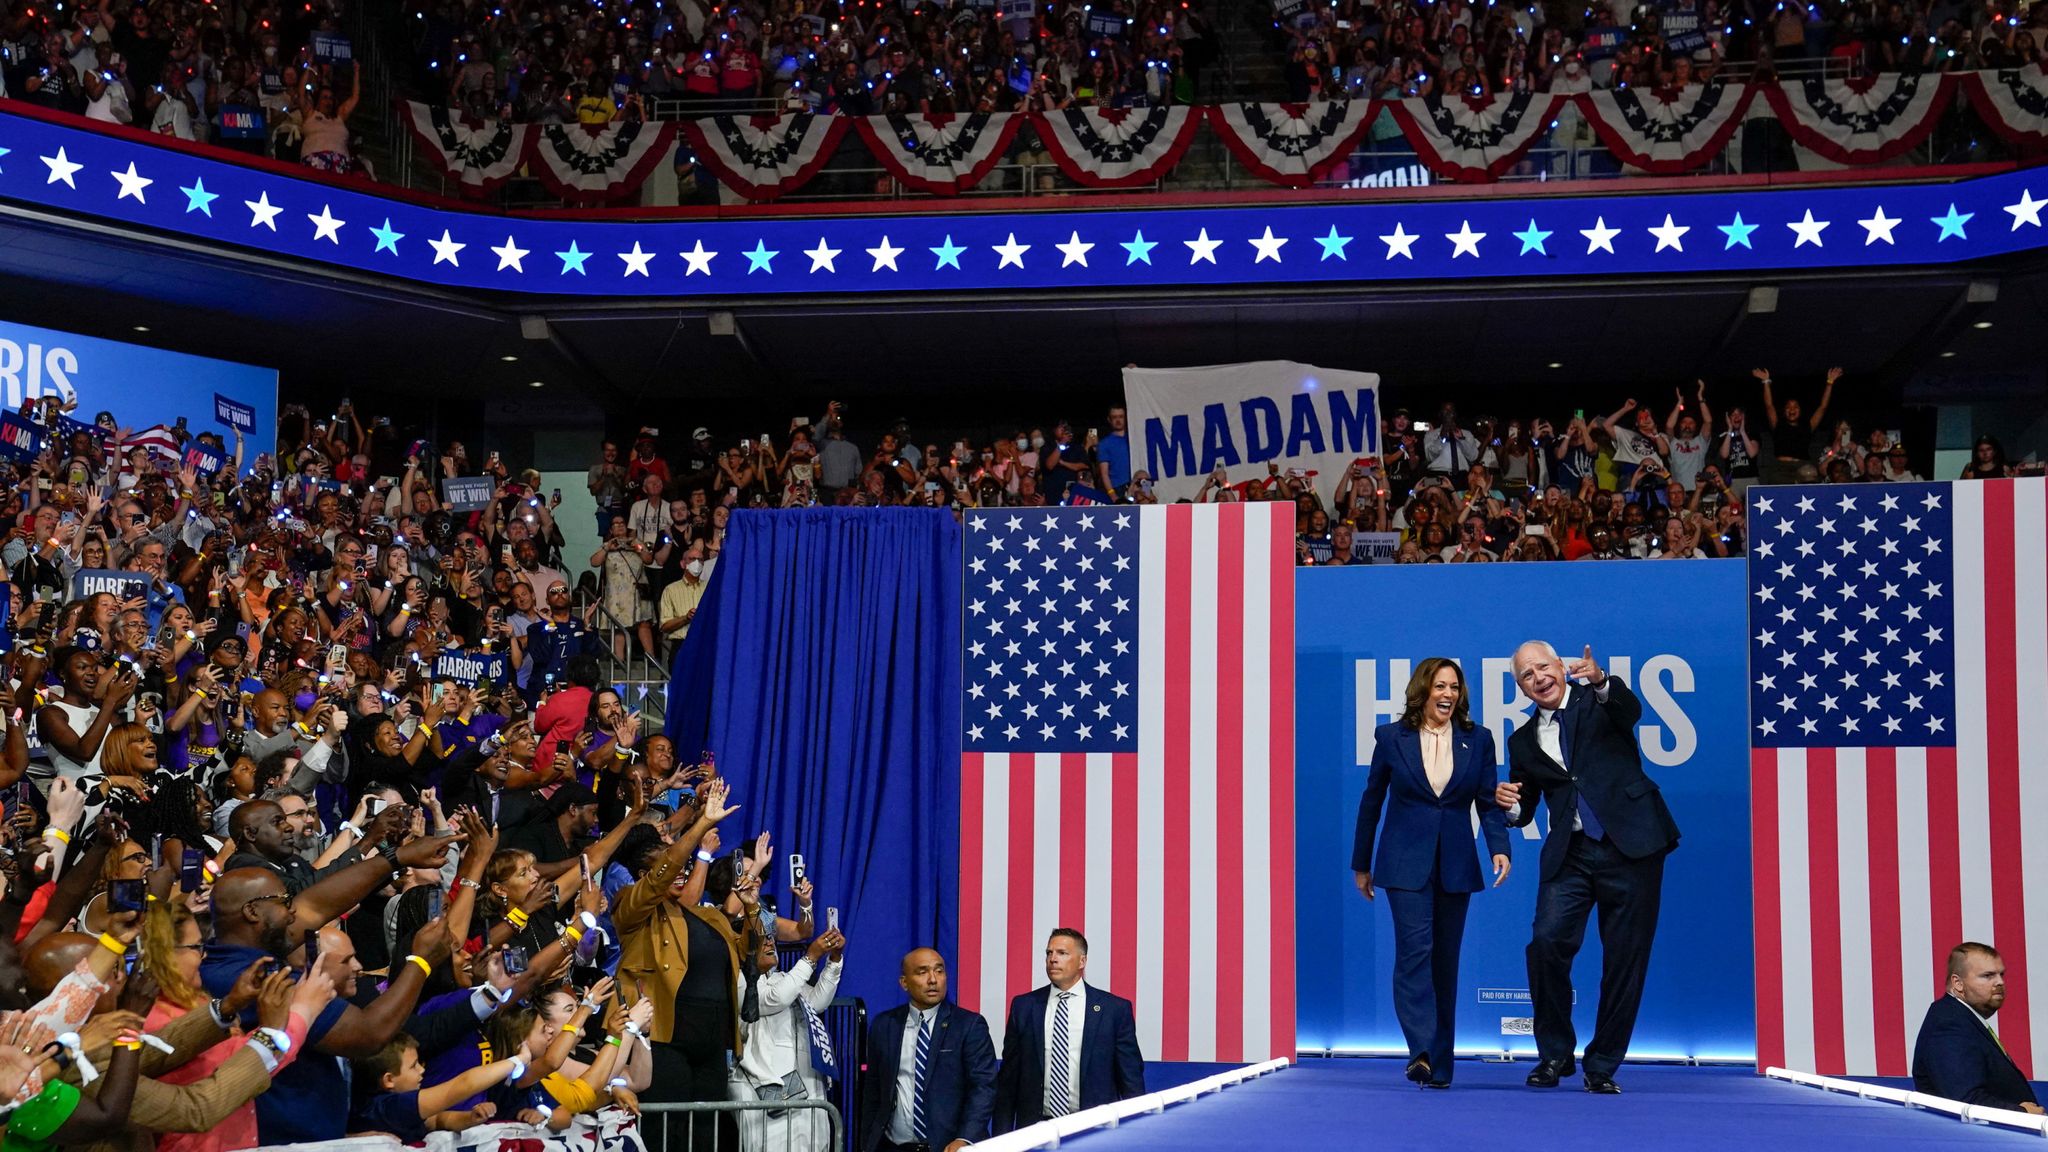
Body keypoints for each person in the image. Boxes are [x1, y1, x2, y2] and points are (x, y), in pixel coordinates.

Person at [1493, 642, 1680, 1094]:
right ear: (1520, 687)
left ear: (1562, 667)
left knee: (1625, 959)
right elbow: (1527, 806)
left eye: (1543, 667)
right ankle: (1554, 1055)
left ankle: (1603, 1065)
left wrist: (1599, 680)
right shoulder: (1520, 740)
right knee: (1545, 945)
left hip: (1632, 845)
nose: (1537, 677)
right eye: (1526, 675)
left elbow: (1628, 709)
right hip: (1570, 853)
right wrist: (1511, 808)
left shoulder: (1598, 701)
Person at [1352, 658, 1511, 1088]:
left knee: (1445, 964)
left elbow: (1487, 800)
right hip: (1404, 863)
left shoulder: (1478, 740)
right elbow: (1372, 802)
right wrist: (1361, 863)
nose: (1448, 694)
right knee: (1414, 953)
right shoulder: (1391, 737)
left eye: (1455, 688)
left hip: (1456, 863)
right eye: (1440, 686)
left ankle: (1439, 1067)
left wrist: (1499, 848)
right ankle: (1419, 1049)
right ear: (1422, 691)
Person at [992, 929, 1144, 1132]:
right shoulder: (1024, 1007)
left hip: (1095, 1129)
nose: (1053, 959)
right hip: (1035, 1130)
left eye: (1062, 953)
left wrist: (1135, 1133)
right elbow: (1009, 1080)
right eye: (1049, 953)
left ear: (1082, 961)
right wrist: (1001, 1137)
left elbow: (1130, 1078)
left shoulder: (1114, 1010)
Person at [861, 948, 997, 1152]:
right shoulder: (885, 1025)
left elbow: (983, 1087)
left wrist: (965, 1138)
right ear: (904, 983)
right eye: (922, 972)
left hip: (949, 1146)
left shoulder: (968, 1025)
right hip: (893, 1146)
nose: (933, 979)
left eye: (939, 971)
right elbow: (873, 1089)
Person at [729, 924, 847, 1152]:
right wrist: (811, 957)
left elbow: (816, 1001)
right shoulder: (740, 983)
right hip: (762, 1088)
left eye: (771, 938)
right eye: (762, 939)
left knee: (813, 1143)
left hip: (802, 1083)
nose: (770, 942)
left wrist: (834, 959)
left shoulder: (784, 979)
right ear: (741, 948)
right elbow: (775, 999)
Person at [1911, 943, 2043, 1112]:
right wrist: (2022, 1113)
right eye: (1987, 976)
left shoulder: (1961, 1018)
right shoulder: (1949, 1025)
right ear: (1958, 983)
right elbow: (1965, 1101)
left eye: (2001, 974)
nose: (2000, 982)